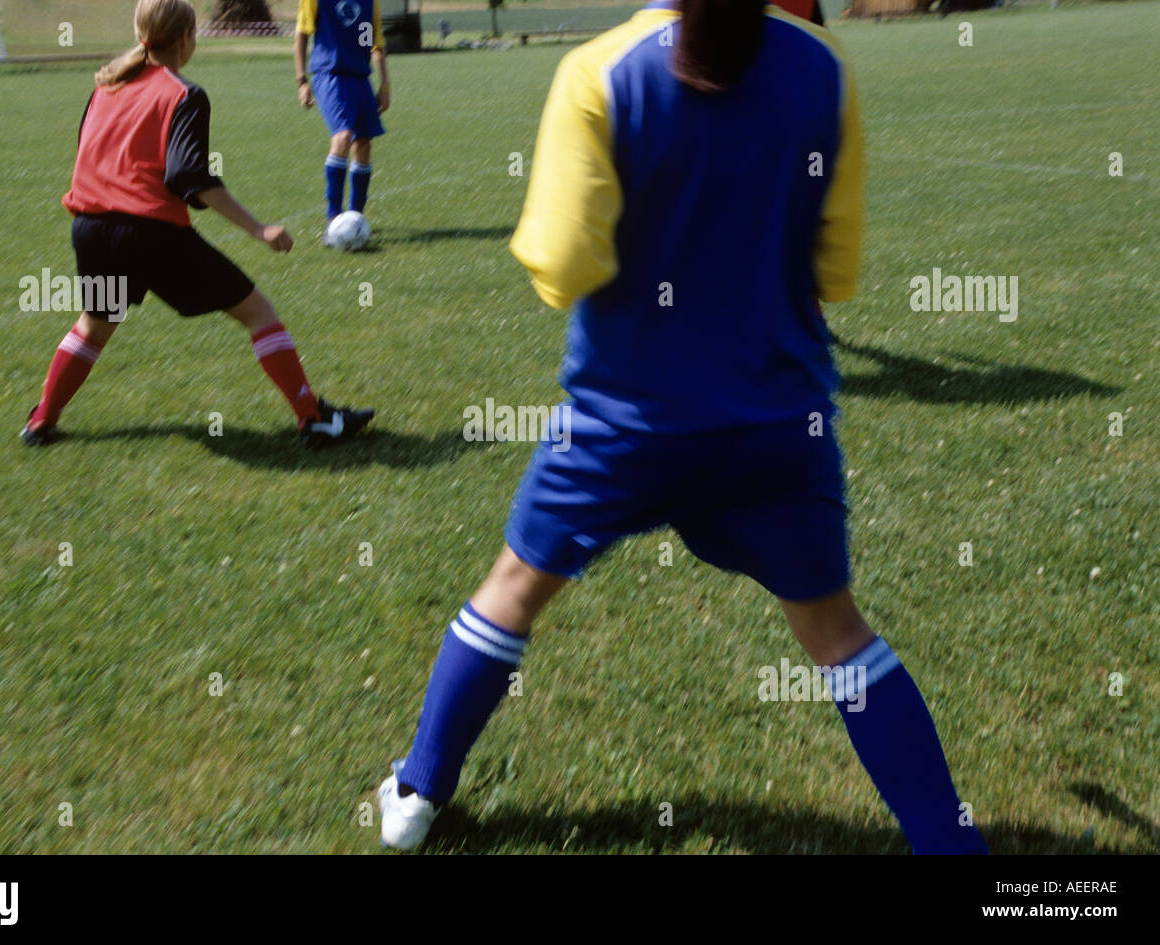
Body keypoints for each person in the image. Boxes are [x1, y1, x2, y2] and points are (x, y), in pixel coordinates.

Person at [377, 0, 988, 854]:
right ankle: (952, 848)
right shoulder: (824, 65)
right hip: (778, 423)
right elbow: (836, 269)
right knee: (837, 632)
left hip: (627, 423)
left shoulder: (598, 72)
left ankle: (415, 792)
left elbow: (563, 267)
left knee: (516, 585)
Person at [22, 0, 372, 449]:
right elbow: (188, 177)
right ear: (186, 40)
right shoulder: (184, 94)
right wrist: (258, 228)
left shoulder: (105, 87)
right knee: (259, 314)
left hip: (91, 229)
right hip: (149, 234)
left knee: (95, 323)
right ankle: (314, 420)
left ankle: (41, 420)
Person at [293, 0, 391, 236]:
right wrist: (302, 80)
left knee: (364, 144)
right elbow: (302, 34)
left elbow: (369, 42)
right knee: (343, 136)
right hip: (330, 75)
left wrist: (384, 83)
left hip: (359, 78)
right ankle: (333, 219)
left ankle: (355, 218)